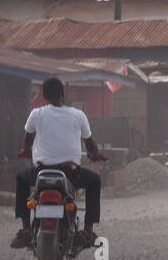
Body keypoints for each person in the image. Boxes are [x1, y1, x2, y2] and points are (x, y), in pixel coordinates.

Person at [12, 77, 105, 249]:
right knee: (94, 181)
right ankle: (88, 231)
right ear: (62, 94)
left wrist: (26, 151)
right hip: (69, 172)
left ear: (45, 96)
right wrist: (95, 154)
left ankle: (25, 229)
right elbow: (90, 143)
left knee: (21, 178)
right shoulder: (78, 115)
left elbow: (27, 141)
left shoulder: (36, 114)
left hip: (41, 172)